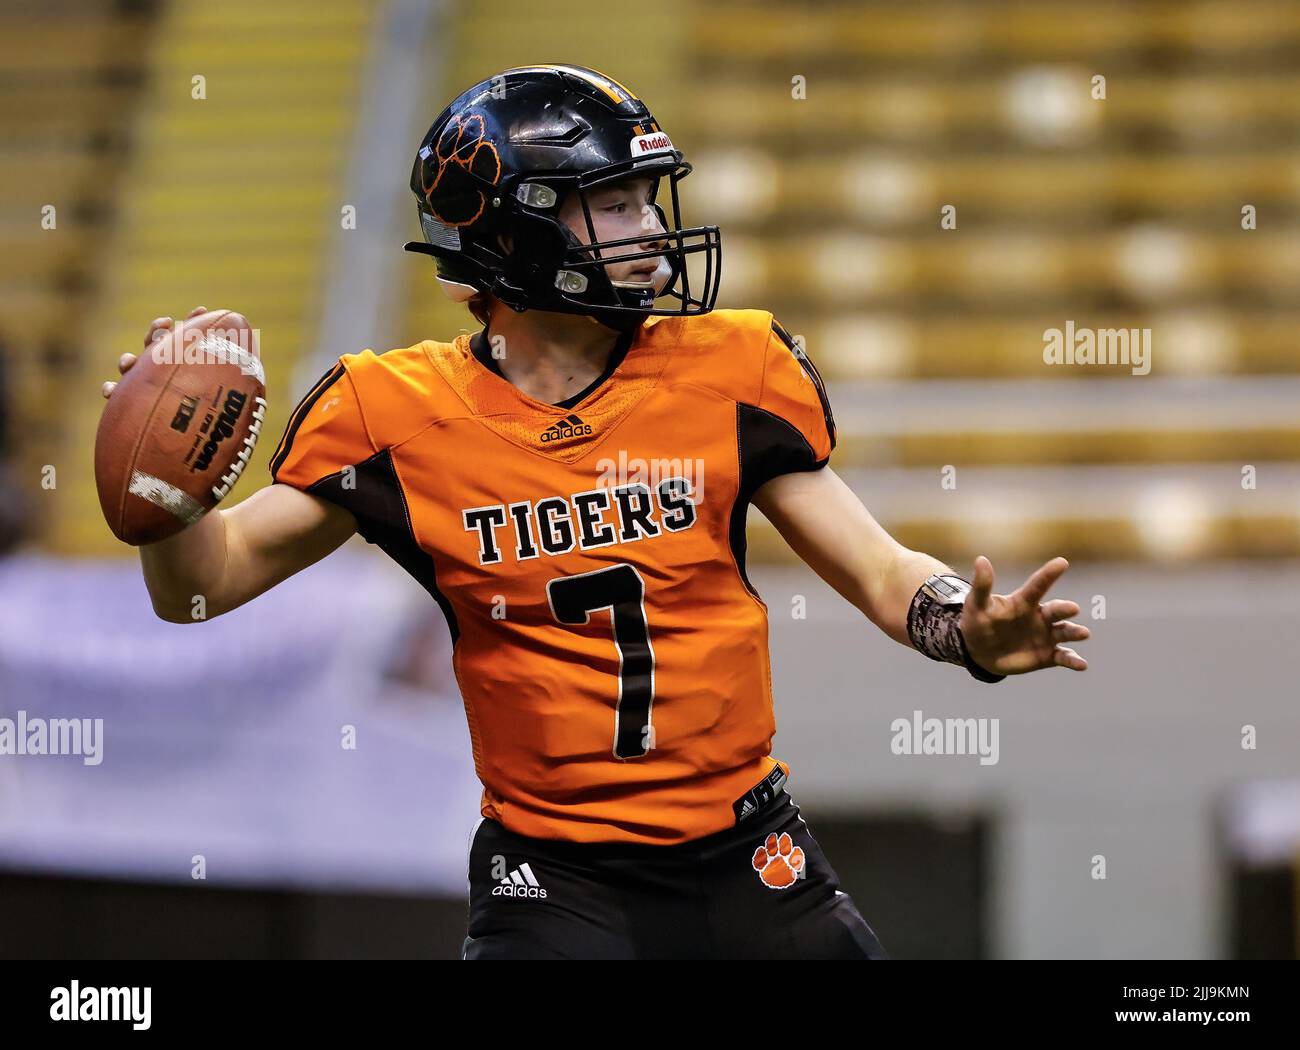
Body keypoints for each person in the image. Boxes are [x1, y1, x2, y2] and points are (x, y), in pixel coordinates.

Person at [100, 65, 1089, 959]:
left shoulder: (730, 370)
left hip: (750, 852)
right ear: (513, 228)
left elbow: (879, 571)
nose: (652, 231)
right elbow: (202, 589)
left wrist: (961, 623)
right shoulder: (392, 415)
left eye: (645, 200)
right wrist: (164, 505)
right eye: (611, 206)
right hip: (554, 882)